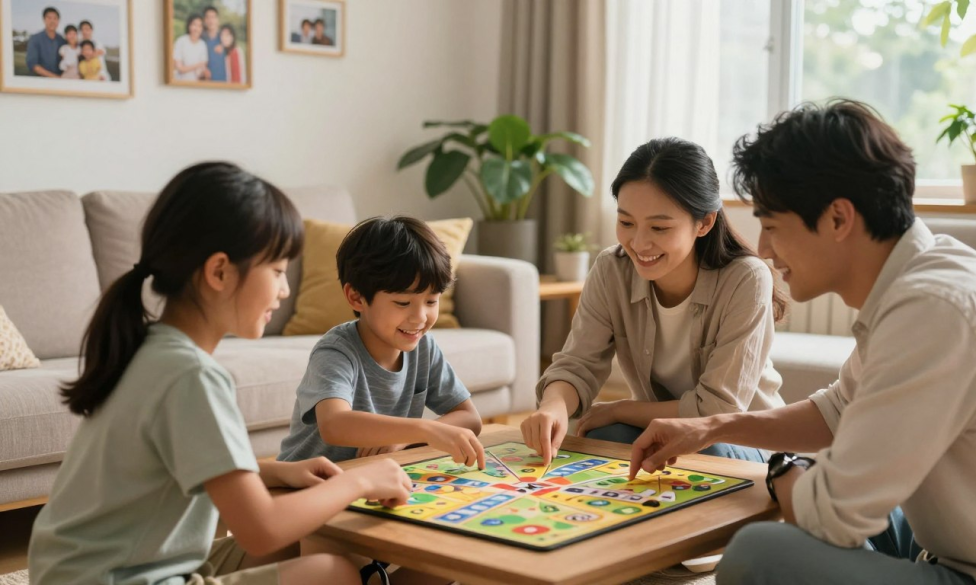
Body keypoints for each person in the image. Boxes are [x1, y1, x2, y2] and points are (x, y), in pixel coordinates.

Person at [630, 100, 976, 585]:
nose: (766, 250)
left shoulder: (933, 310)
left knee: (759, 553)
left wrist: (782, 471)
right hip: (942, 541)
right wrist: (711, 427)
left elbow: (828, 518)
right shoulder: (923, 277)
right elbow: (835, 410)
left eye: (772, 228)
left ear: (838, 218)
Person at [27, 162, 413, 585]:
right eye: (279, 271)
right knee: (332, 572)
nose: (284, 290)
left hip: (78, 572)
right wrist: (358, 483)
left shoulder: (149, 349)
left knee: (298, 538)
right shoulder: (190, 376)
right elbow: (260, 528)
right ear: (219, 272)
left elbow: (168, 465)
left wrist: (271, 471)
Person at [522, 137, 786, 465]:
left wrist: (621, 409)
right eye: (626, 223)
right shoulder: (611, 269)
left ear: (704, 222)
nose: (639, 242)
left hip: (738, 438)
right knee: (598, 435)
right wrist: (554, 406)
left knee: (704, 447)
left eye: (659, 227)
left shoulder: (746, 278)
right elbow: (578, 364)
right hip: (661, 430)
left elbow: (718, 410)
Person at [277, 216, 485, 469]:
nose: (420, 317)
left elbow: (470, 418)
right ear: (356, 297)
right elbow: (335, 424)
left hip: (371, 477)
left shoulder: (424, 348)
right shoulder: (335, 351)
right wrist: (423, 430)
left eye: (431, 301)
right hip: (309, 483)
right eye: (402, 303)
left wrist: (404, 439)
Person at [25, 6, 66, 78]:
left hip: (60, 82)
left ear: (58, 21)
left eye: (55, 18)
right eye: (49, 18)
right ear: (44, 20)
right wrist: (56, 78)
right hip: (40, 81)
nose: (52, 21)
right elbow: (33, 64)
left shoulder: (62, 40)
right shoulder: (35, 38)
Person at [173, 14, 209, 81]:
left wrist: (205, 73)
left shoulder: (202, 44)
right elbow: (180, 69)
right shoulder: (181, 41)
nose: (197, 28)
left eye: (199, 26)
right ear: (189, 26)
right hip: (180, 83)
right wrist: (197, 65)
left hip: (196, 86)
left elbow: (202, 69)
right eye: (194, 25)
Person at [202, 6, 227, 82]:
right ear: (204, 20)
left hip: (224, 84)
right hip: (205, 83)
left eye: (213, 17)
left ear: (218, 20)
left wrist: (223, 45)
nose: (210, 20)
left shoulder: (225, 38)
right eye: (208, 17)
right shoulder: (201, 39)